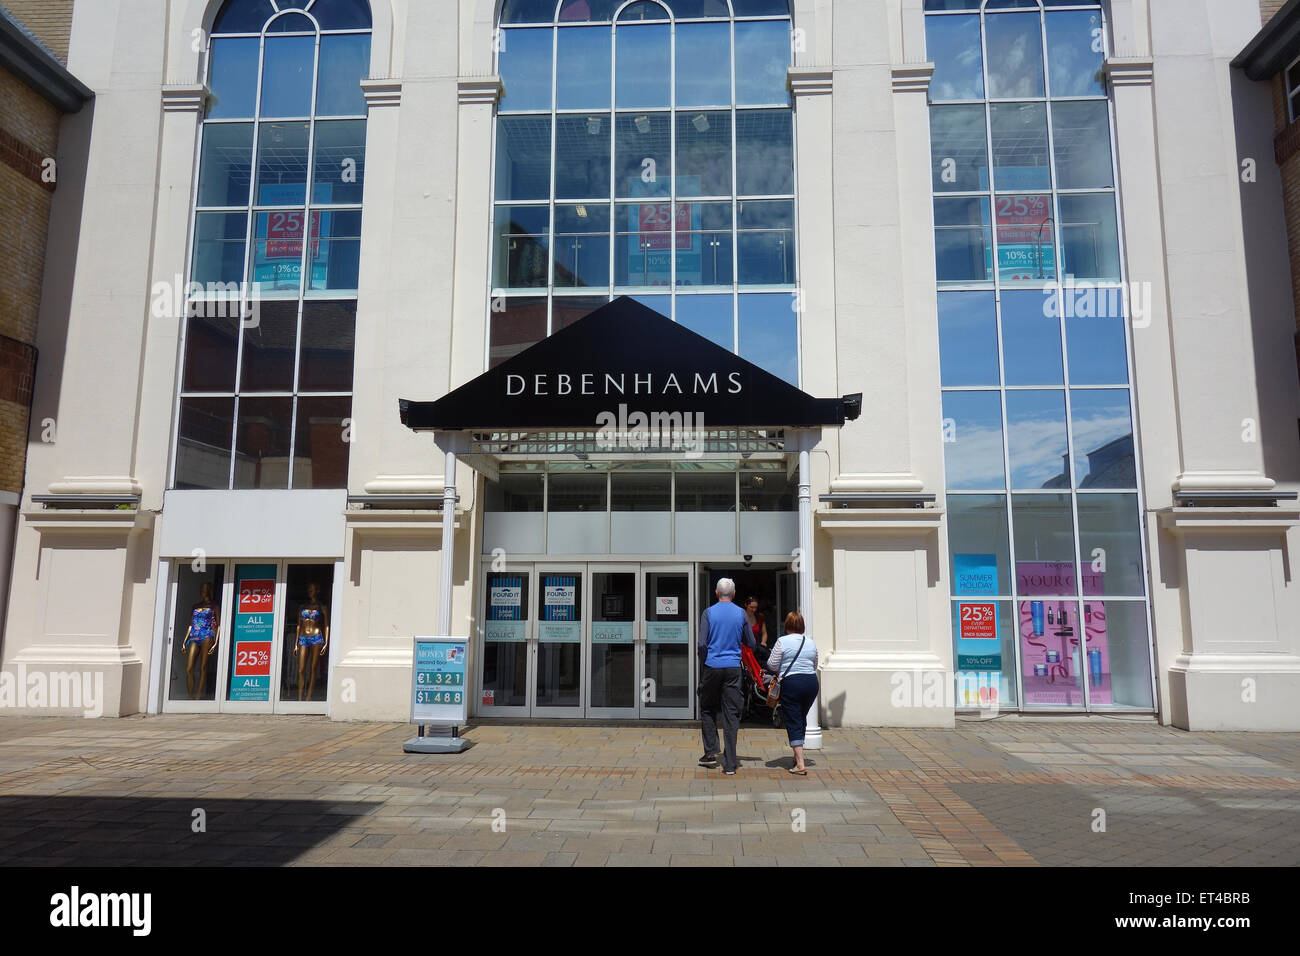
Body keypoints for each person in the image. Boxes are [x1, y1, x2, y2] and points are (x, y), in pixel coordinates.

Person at [697, 577, 753, 775]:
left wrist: (704, 664)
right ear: (734, 594)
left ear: (716, 593)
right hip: (733, 668)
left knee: (707, 708)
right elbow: (751, 642)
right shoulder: (741, 613)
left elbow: (702, 644)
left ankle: (711, 752)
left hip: (712, 666)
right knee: (731, 714)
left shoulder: (708, 613)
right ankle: (730, 764)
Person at [765, 611, 819, 775]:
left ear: (786, 625)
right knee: (801, 717)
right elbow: (815, 663)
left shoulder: (782, 641)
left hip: (791, 683)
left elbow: (772, 664)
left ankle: (800, 764)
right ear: (802, 625)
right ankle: (797, 756)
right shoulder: (810, 642)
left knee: (793, 719)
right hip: (811, 683)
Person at [182, 582, 219, 699]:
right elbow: (190, 625)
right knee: (189, 669)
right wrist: (184, 641)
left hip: (207, 636)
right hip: (194, 636)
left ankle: (198, 696)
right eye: (202, 589)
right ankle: (190, 696)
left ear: (209, 590)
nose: (203, 592)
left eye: (205, 589)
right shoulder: (195, 606)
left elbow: (219, 625)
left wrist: (216, 642)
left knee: (203, 667)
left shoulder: (214, 606)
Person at [294, 581, 329, 702]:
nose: (310, 591)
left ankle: (308, 698)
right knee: (301, 669)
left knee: (313, 668)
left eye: (312, 589)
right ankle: (299, 698)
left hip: (316, 637)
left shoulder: (322, 607)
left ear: (317, 590)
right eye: (309, 589)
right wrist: (295, 643)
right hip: (303, 637)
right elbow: (298, 625)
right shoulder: (302, 607)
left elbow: (326, 626)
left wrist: (326, 643)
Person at [744, 596, 770, 665]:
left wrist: (763, 642)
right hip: (745, 647)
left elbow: (764, 633)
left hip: (756, 647)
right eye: (751, 607)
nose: (754, 610)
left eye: (755, 607)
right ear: (746, 605)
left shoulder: (760, 617)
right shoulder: (741, 617)